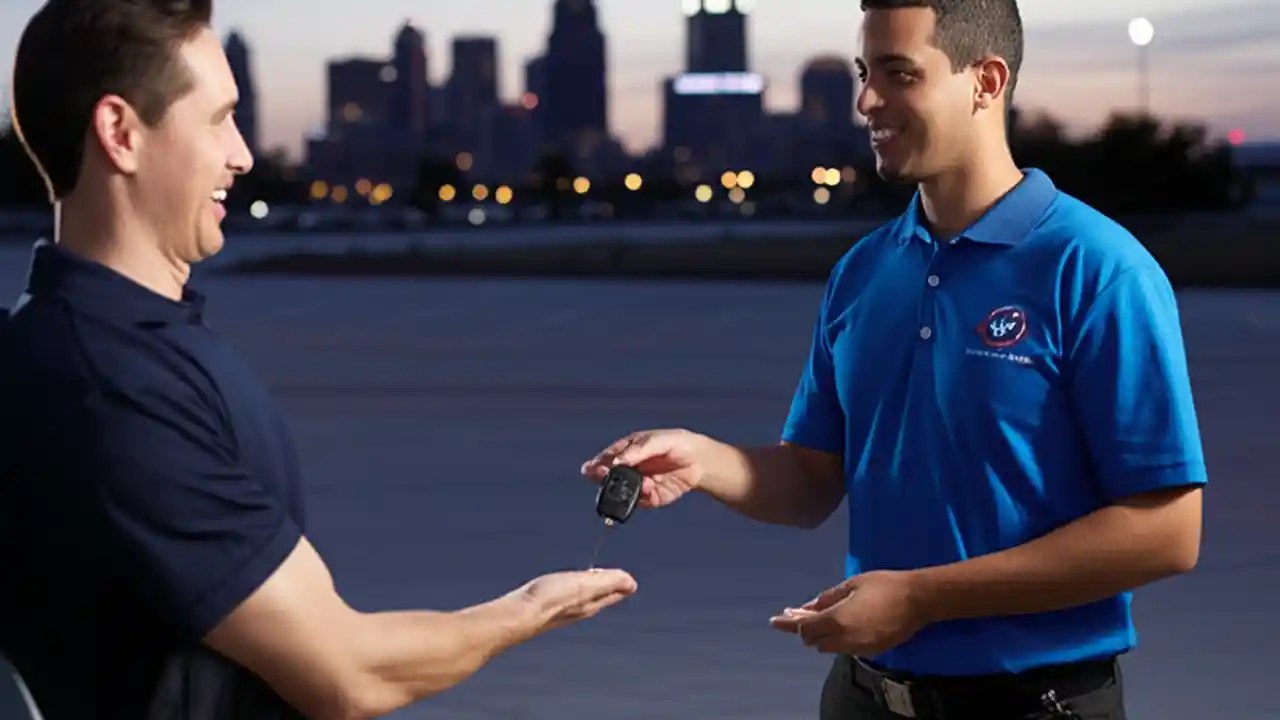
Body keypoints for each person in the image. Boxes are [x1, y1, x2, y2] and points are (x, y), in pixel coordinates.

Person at [0, 2, 636, 719]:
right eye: (218, 119)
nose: (242, 153)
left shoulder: (109, 344)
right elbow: (346, 673)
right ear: (120, 133)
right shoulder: (109, 388)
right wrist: (530, 610)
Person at [581, 1, 1206, 718]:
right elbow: (813, 480)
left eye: (898, 74)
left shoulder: (1097, 270)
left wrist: (922, 597)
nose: (866, 101)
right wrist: (701, 458)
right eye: (862, 72)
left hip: (1039, 703)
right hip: (863, 696)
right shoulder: (863, 272)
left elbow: (1166, 532)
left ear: (986, 81)